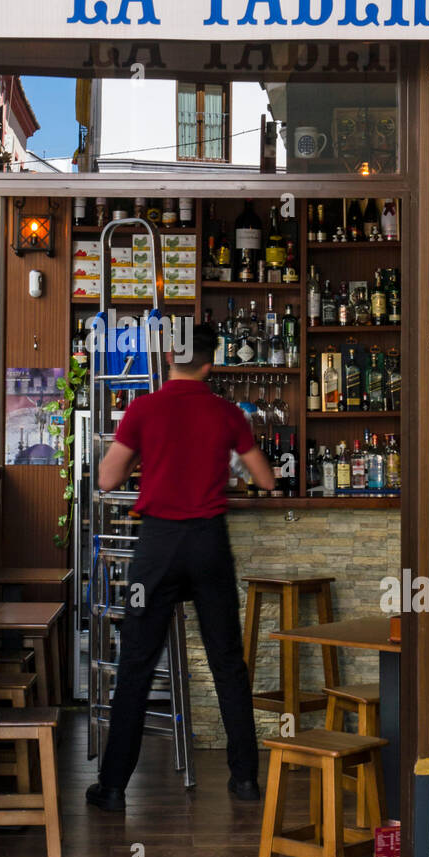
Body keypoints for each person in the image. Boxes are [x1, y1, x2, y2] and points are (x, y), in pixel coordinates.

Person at [86, 321, 275, 813]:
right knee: (227, 663)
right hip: (209, 544)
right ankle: (246, 780)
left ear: (170, 356)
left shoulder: (143, 409)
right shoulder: (229, 412)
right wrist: (224, 472)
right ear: (210, 363)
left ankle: (111, 788)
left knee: (136, 663)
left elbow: (107, 478)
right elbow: (267, 479)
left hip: (158, 548)